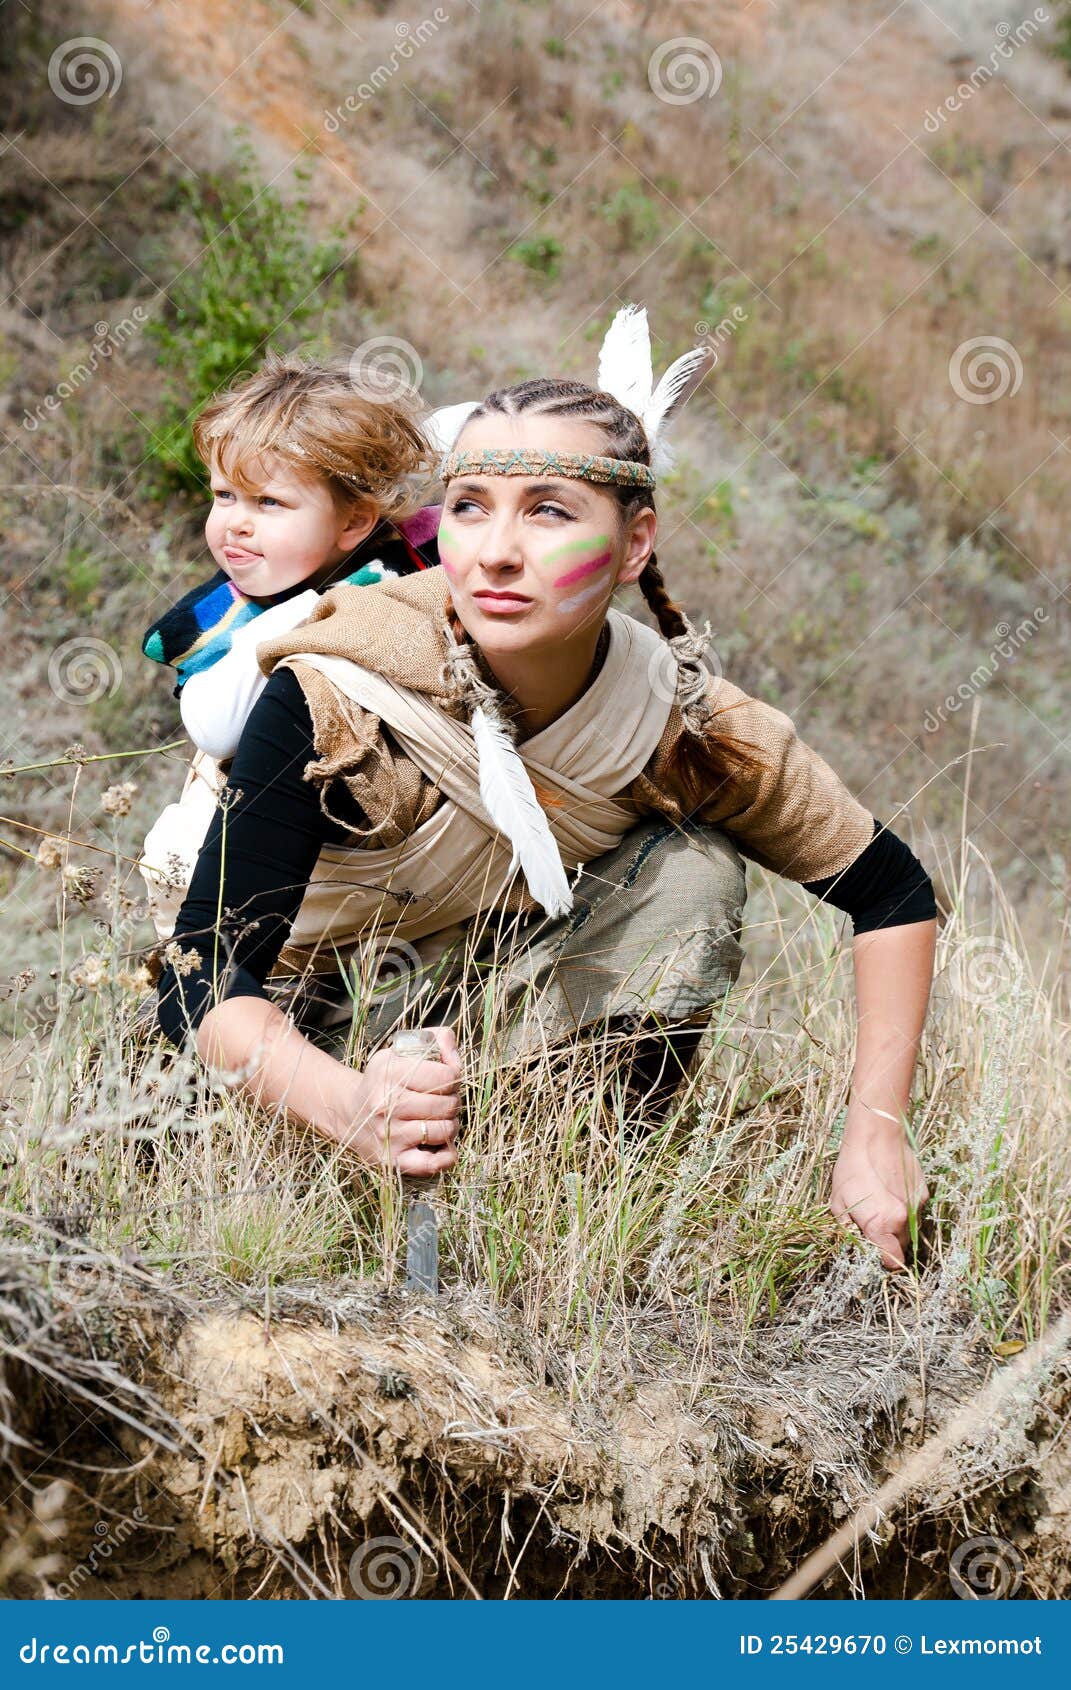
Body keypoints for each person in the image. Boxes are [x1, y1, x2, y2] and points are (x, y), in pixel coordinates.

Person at [155, 306, 938, 1273]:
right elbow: (199, 984)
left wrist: (874, 1131)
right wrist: (353, 1109)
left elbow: (891, 891)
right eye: (472, 506)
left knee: (689, 874)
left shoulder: (675, 716)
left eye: (551, 511)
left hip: (465, 1019)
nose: (495, 551)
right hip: (285, 1044)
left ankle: (560, 1196)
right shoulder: (332, 690)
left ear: (635, 542)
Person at [137, 351, 440, 939]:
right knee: (173, 847)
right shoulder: (230, 619)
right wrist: (292, 619)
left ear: (354, 522)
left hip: (403, 838)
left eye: (268, 502)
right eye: (224, 495)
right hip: (277, 864)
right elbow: (215, 729)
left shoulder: (401, 580)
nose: (235, 524)